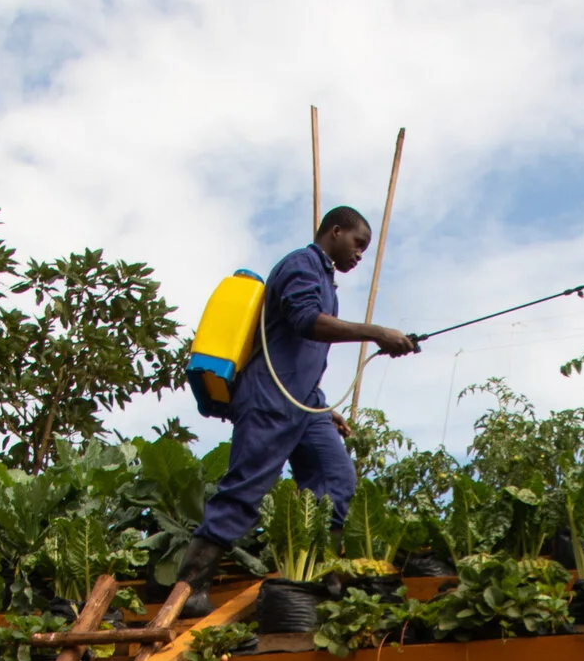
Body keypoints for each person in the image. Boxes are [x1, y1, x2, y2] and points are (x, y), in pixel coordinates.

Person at [158, 206, 419, 623]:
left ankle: (320, 579)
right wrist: (376, 332)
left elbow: (300, 353)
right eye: (357, 244)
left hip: (303, 403)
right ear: (335, 232)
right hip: (268, 398)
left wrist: (320, 404)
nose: (359, 256)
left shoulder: (326, 280)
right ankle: (192, 587)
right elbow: (304, 323)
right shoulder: (301, 264)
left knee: (336, 479)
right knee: (246, 489)